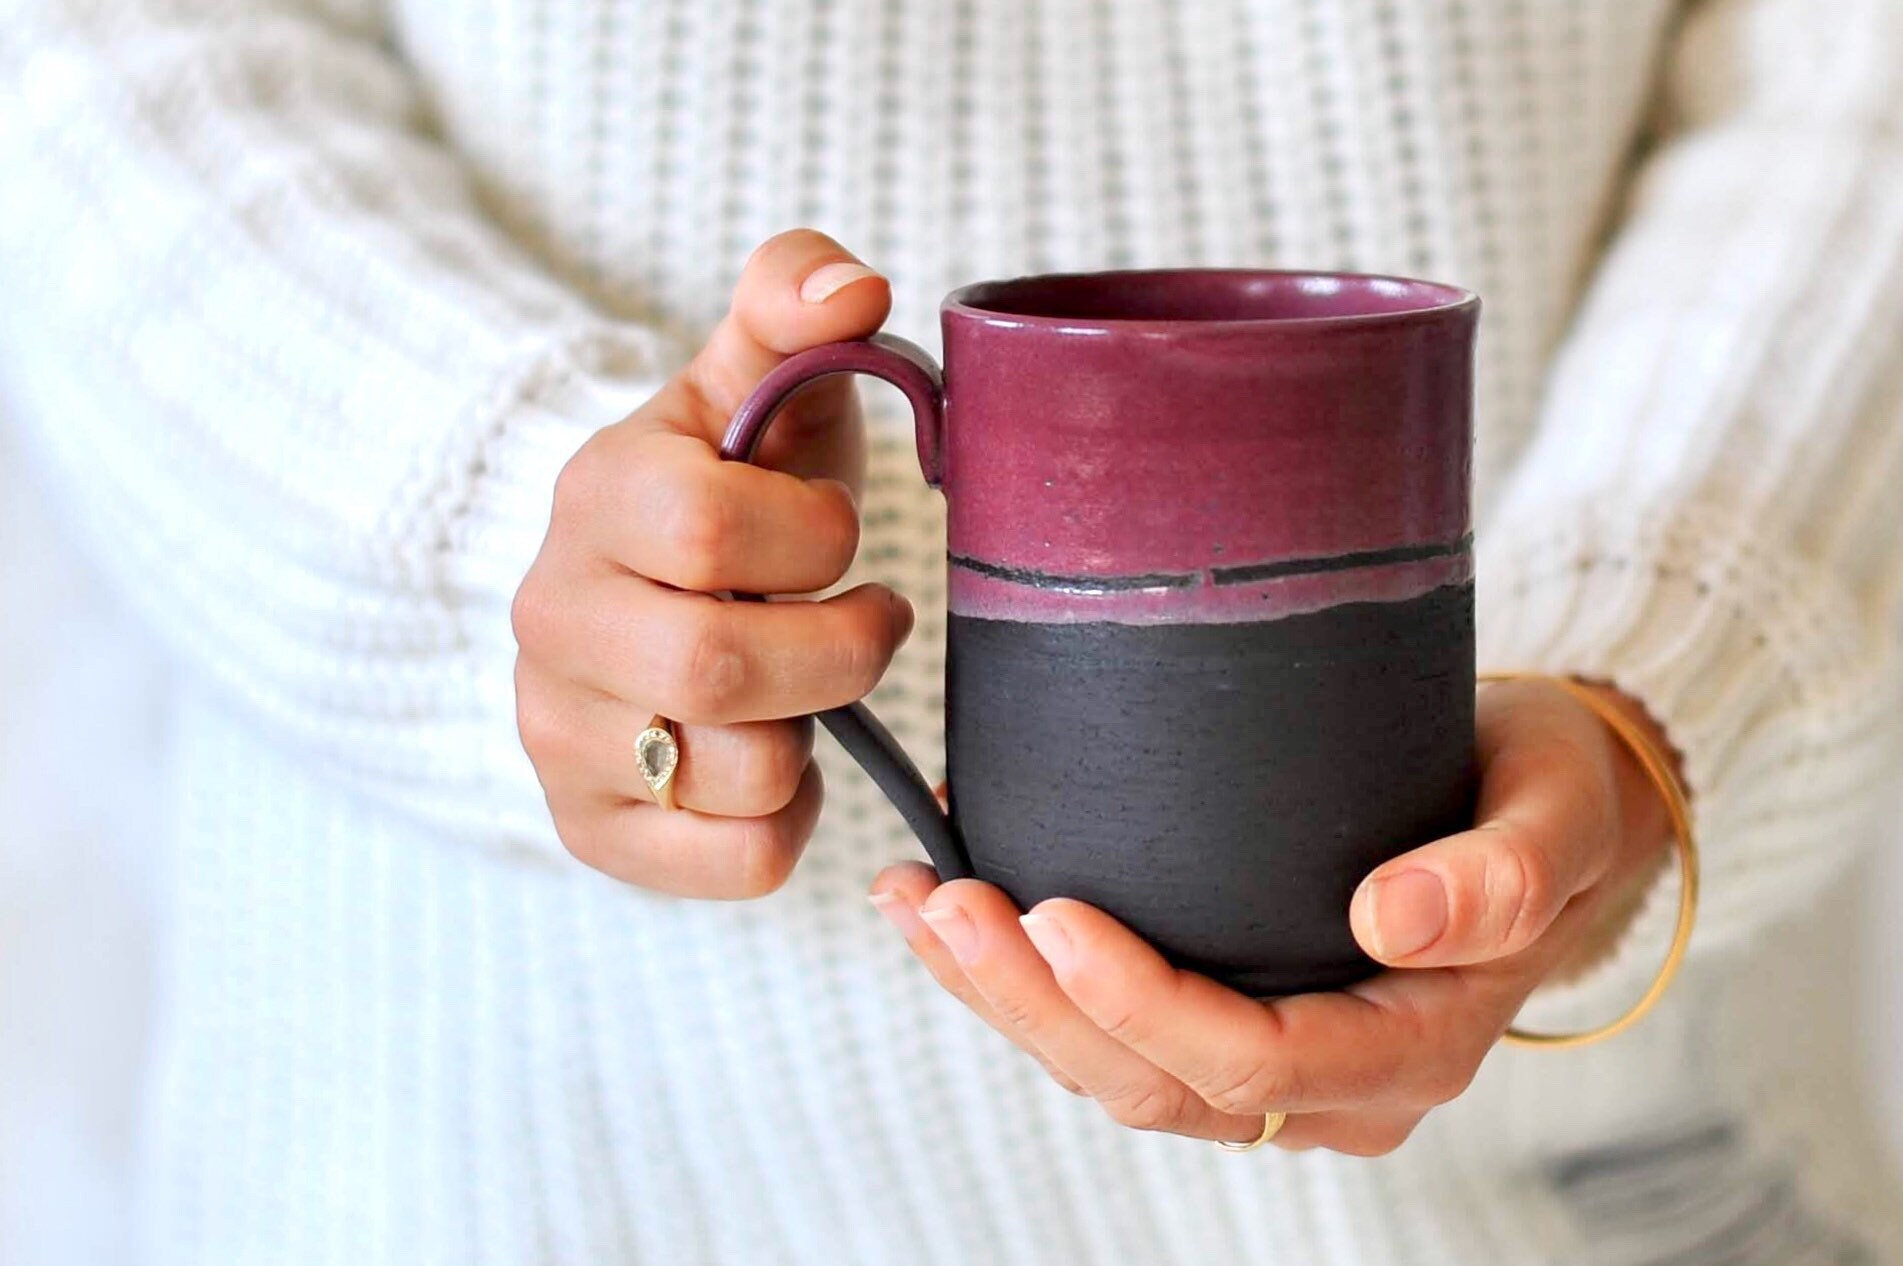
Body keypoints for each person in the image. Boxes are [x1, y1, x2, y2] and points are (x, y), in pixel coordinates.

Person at [2, 1, 1900, 1262]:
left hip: (1576, 1179)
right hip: (499, 1157)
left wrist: (1666, 670)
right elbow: (100, 64)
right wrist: (524, 533)